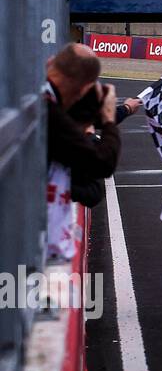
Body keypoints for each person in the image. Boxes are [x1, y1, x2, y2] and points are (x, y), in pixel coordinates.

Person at [44, 44, 123, 258]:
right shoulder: (47, 110)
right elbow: (103, 163)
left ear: (51, 62)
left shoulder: (34, 94)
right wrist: (108, 119)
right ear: (83, 89)